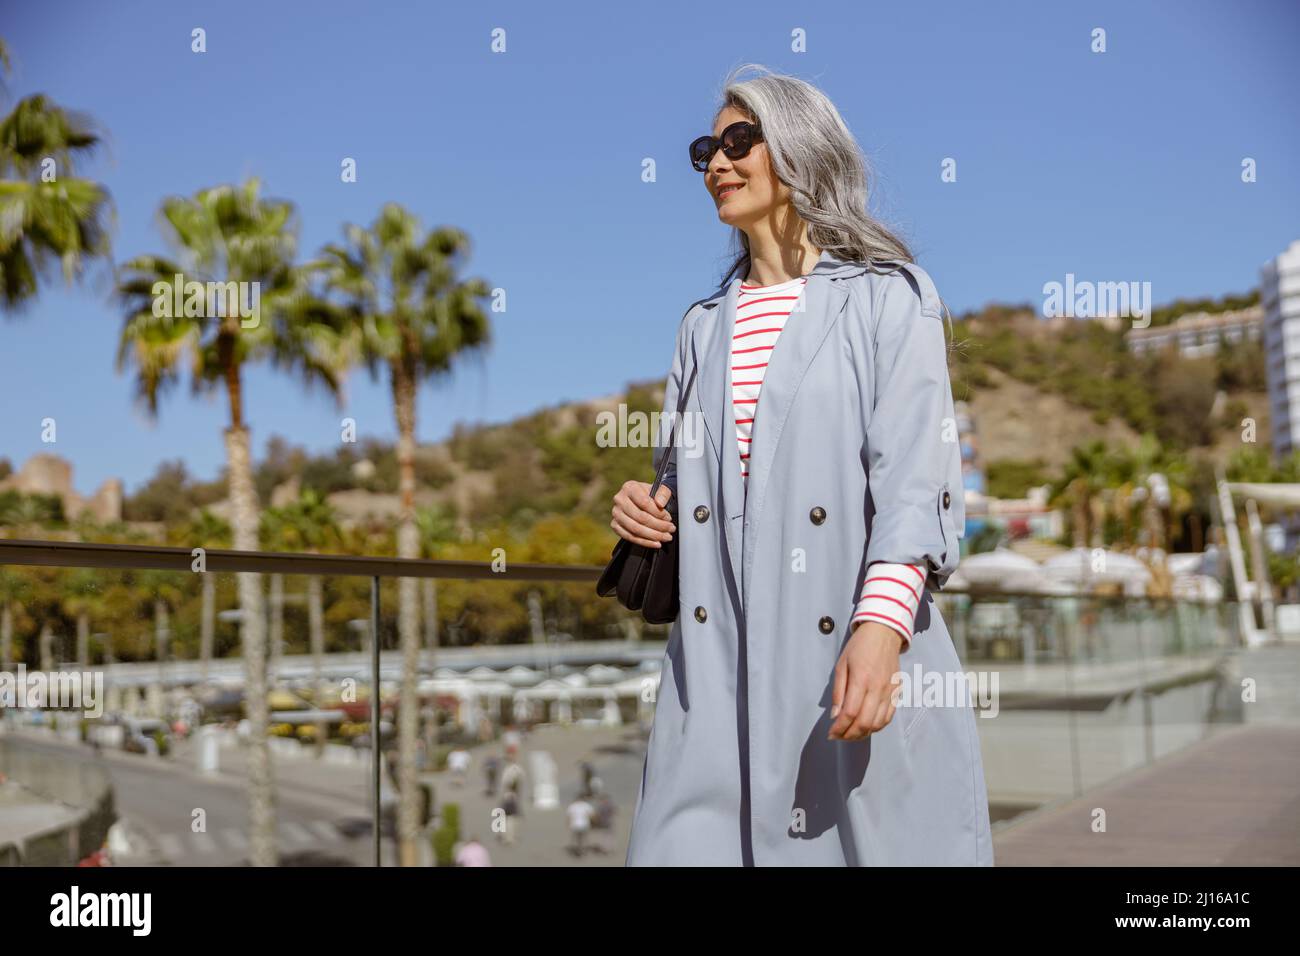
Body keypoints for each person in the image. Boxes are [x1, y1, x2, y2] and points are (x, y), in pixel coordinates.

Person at [612, 65, 993, 867]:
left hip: (850, 662)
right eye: (704, 150)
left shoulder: (890, 297)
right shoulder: (700, 329)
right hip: (714, 684)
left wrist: (880, 633)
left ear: (799, 148)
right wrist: (652, 507)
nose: (716, 163)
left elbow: (916, 486)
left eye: (737, 141)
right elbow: (693, 489)